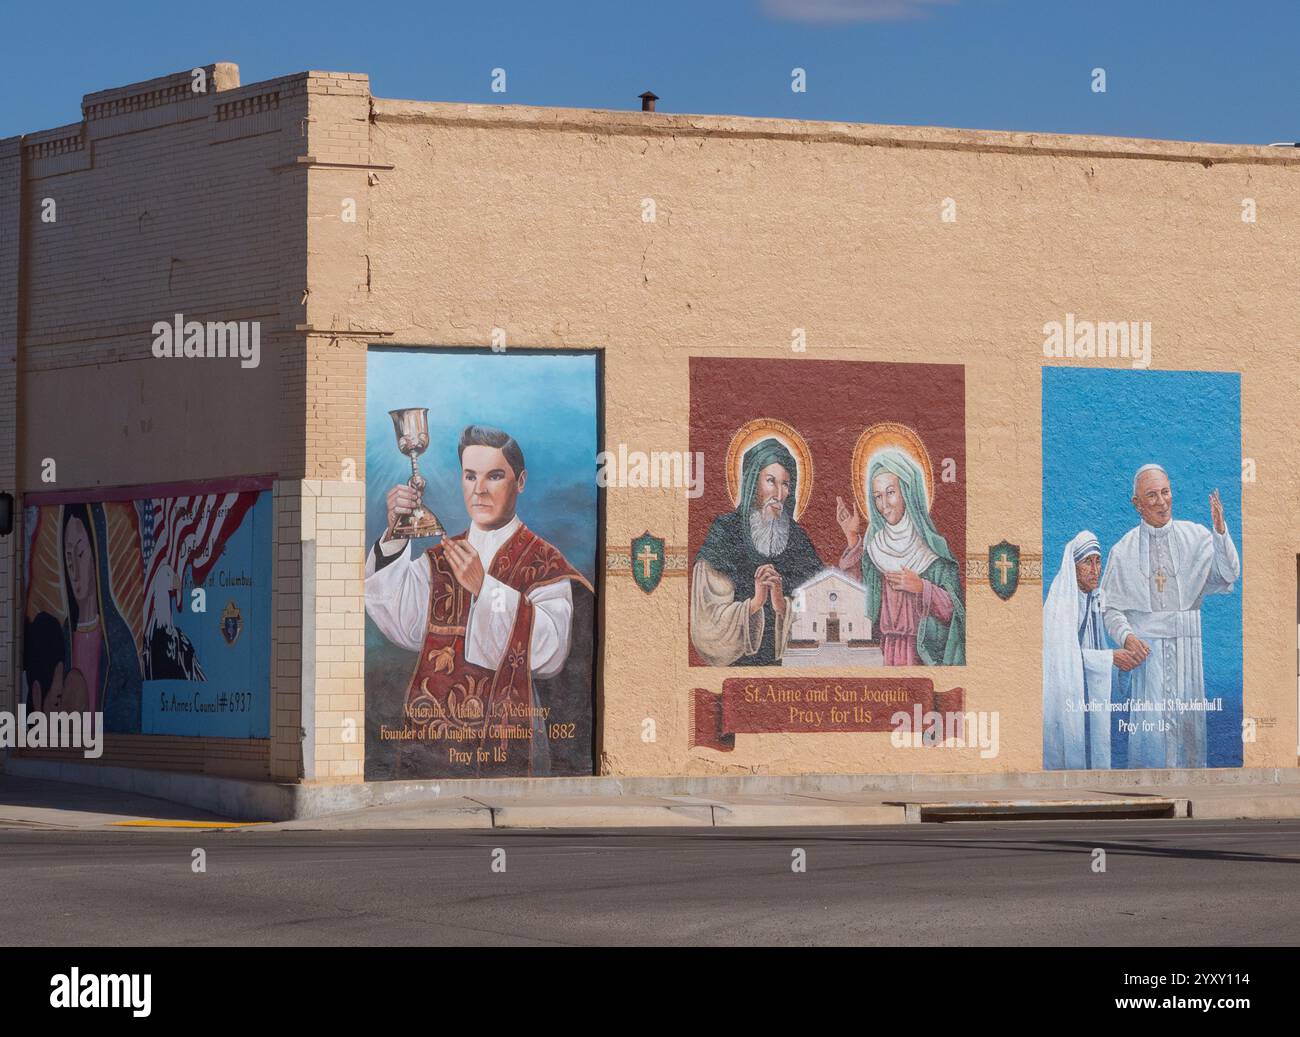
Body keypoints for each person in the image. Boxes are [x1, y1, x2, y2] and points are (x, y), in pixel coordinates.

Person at [365, 424, 592, 776]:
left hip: (505, 743)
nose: (480, 490)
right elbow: (402, 621)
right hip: (431, 745)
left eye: (495, 476)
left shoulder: (542, 562)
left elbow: (550, 653)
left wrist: (484, 589)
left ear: (520, 481)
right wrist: (396, 533)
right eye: (470, 477)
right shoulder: (445, 556)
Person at [1100, 464, 1240, 768]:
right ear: (1136, 503)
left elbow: (1229, 573)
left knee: (1188, 737)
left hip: (1188, 651)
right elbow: (1110, 608)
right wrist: (1127, 636)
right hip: (1148, 654)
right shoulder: (1122, 551)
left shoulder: (1197, 537)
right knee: (1151, 738)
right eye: (1151, 495)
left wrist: (1219, 532)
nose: (1162, 501)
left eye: (1165, 492)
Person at [690, 437, 824, 666]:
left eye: (786, 484)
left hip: (788, 669)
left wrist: (782, 604)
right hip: (736, 667)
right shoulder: (724, 533)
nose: (779, 494)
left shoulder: (798, 538)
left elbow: (822, 603)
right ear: (753, 482)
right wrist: (756, 602)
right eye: (771, 481)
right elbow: (707, 622)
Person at [836, 449, 965, 665]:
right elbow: (859, 598)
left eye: (890, 492)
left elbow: (956, 613)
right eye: (877, 496)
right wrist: (851, 539)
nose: (884, 504)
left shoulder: (933, 551)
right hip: (886, 650)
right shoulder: (874, 549)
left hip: (923, 654)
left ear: (907, 491)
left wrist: (923, 588)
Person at [1042, 530, 1141, 769]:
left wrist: (1122, 660)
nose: (1095, 569)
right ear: (1073, 566)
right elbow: (1063, 657)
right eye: (1088, 562)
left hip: (1087, 691)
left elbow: (1095, 647)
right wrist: (1111, 658)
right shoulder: (1061, 601)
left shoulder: (1093, 597)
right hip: (1066, 693)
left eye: (1098, 561)